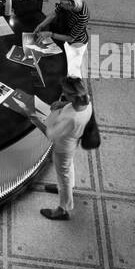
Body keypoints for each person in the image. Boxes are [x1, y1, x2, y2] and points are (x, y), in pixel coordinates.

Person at [39, 76, 93, 221]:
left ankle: (63, 209)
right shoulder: (86, 100)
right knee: (68, 168)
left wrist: (33, 117)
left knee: (63, 177)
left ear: (73, 96)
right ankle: (70, 186)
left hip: (63, 147)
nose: (63, 94)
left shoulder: (71, 118)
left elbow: (50, 133)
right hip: (73, 141)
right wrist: (62, 104)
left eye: (65, 93)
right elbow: (71, 106)